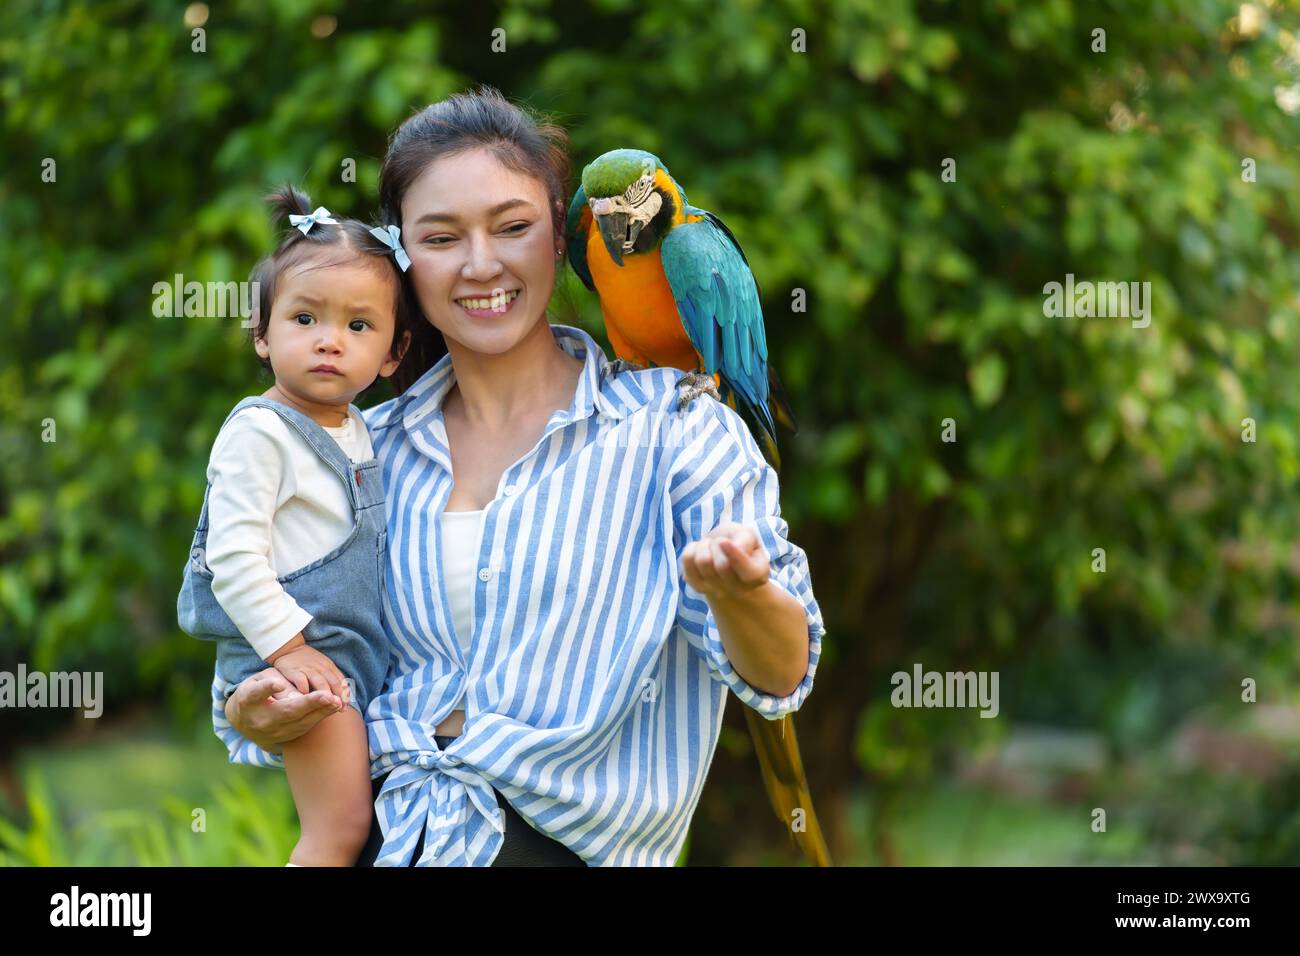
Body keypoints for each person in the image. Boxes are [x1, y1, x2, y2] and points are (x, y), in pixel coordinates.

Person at [217, 85, 826, 867]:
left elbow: (781, 674)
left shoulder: (674, 430)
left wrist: (741, 591)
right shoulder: (362, 455)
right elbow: (283, 656)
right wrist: (257, 710)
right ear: (402, 255)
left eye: (513, 228)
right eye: (440, 238)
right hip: (391, 840)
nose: (482, 264)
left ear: (558, 235)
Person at [178, 186, 412, 865]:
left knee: (353, 827)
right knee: (336, 833)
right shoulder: (261, 432)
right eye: (305, 318)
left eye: (358, 327)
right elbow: (234, 557)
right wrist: (289, 650)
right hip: (297, 659)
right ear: (262, 333)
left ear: (393, 355)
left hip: (340, 655)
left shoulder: (359, 430)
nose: (329, 342)